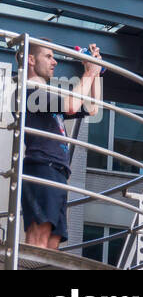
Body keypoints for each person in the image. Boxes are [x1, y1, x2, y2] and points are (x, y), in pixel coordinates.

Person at [16, 42, 100, 250]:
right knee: (39, 236)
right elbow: (72, 105)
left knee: (53, 241)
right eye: (49, 56)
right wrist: (88, 73)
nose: (55, 62)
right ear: (31, 59)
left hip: (58, 171)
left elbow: (92, 108)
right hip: (42, 166)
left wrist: (96, 71)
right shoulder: (29, 92)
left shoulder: (46, 94)